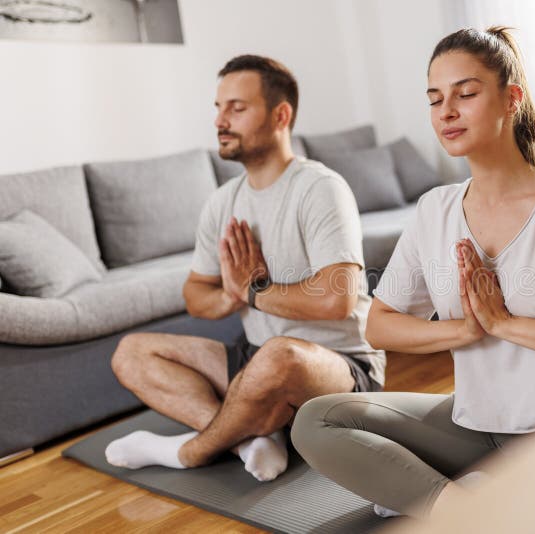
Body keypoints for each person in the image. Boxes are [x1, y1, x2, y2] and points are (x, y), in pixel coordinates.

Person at [291, 27, 535, 518]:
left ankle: (460, 496)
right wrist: (463, 329)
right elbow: (379, 324)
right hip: (477, 423)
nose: (446, 111)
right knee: (317, 421)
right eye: (434, 99)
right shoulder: (434, 210)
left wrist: (506, 324)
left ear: (512, 100)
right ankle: (467, 509)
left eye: (465, 93)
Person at [105, 55, 385, 482]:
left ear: (280, 115)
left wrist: (256, 290)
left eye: (237, 108)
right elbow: (194, 293)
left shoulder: (320, 188)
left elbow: (337, 298)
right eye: (218, 108)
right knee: (132, 352)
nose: (221, 120)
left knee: (281, 353)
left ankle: (188, 452)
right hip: (253, 359)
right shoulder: (222, 202)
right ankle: (247, 440)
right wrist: (230, 296)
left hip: (341, 368)